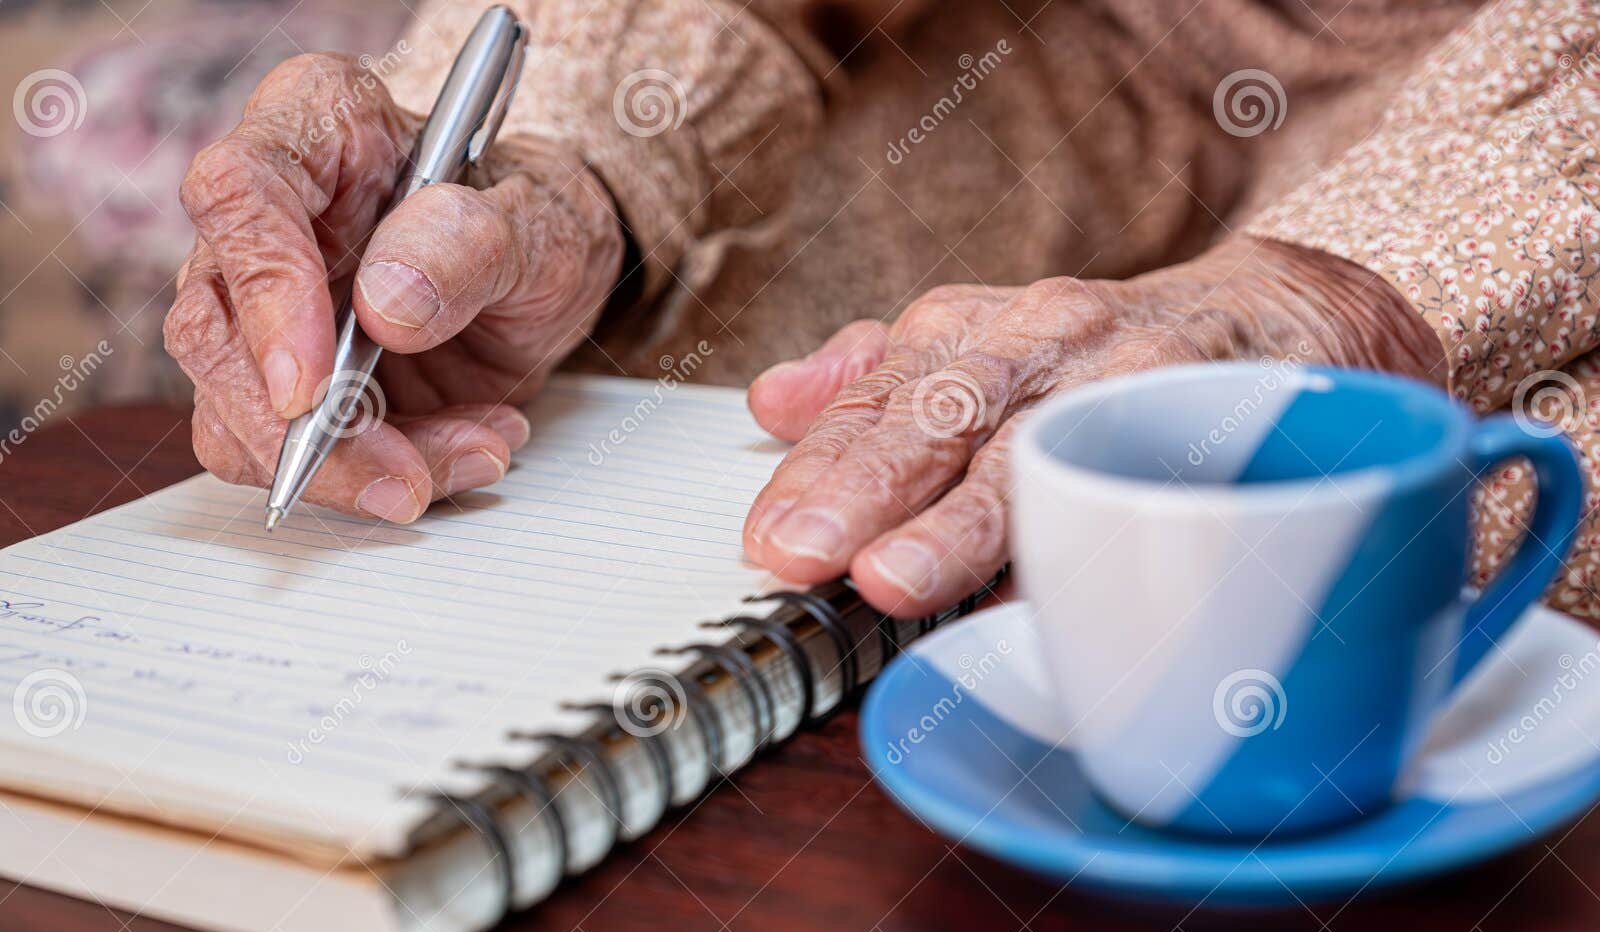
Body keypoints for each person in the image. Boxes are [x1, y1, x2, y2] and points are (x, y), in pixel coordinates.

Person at [163, 0, 1600, 620]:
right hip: (1041, 61)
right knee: (662, 415)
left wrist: (1355, 281)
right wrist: (564, 173)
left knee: (1363, 530)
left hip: (1540, 99)